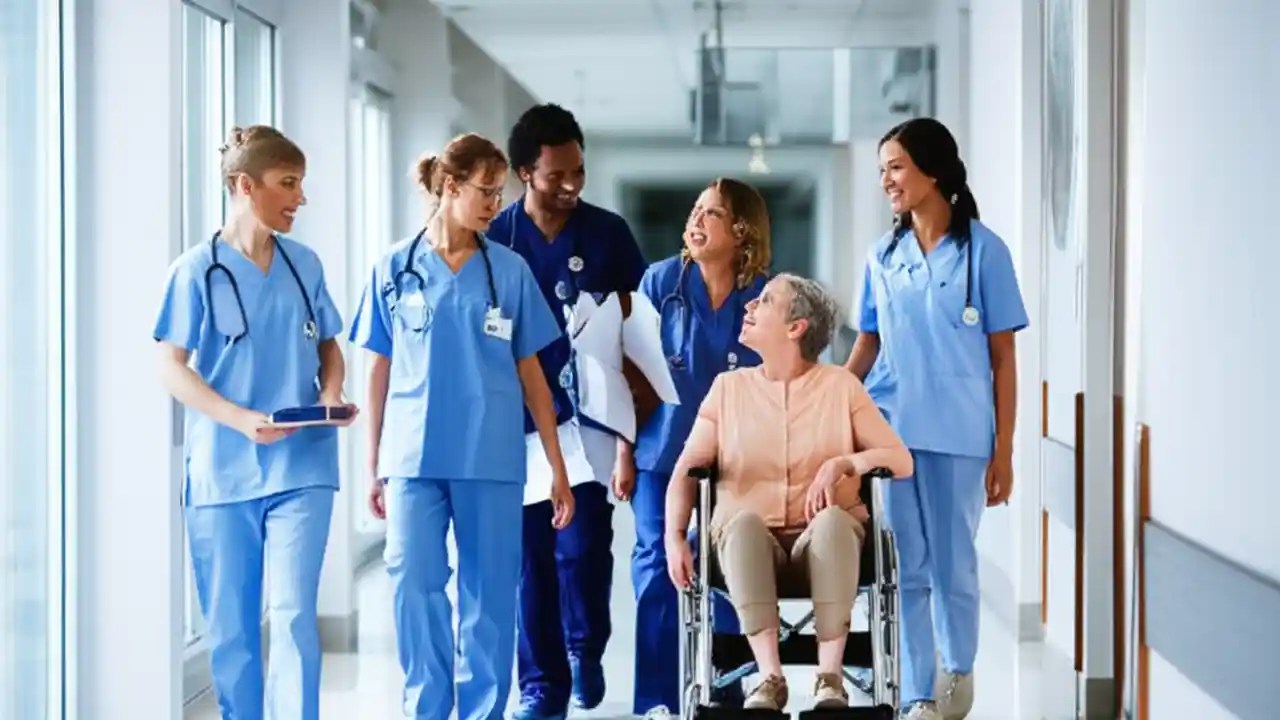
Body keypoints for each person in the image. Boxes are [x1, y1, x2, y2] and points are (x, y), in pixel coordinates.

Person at [350, 133, 575, 720]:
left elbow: (533, 376)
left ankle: (482, 712)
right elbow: (377, 369)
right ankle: (426, 708)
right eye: (486, 192)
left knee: (489, 594)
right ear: (450, 187)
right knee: (412, 580)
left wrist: (556, 467)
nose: (495, 206)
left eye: (500, 194)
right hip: (413, 456)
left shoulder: (508, 270)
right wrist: (372, 464)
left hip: (490, 456)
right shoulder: (394, 268)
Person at [154, 125, 356, 720]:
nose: (300, 197)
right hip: (223, 470)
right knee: (232, 628)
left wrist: (332, 393)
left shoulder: (303, 265)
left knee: (293, 616)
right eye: (288, 183)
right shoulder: (196, 270)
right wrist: (240, 419)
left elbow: (329, 346)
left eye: (301, 183)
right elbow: (170, 367)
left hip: (302, 464)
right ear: (246, 185)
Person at [843, 117, 1028, 720]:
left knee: (954, 564)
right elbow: (868, 342)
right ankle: (917, 693)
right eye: (882, 170)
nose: (886, 181)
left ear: (933, 170)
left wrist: (1004, 450)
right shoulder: (882, 255)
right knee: (906, 568)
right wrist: (833, 399)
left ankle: (957, 673)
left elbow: (1003, 358)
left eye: (895, 167)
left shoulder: (985, 252)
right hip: (894, 433)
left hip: (960, 434)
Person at [664, 273, 914, 713]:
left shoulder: (840, 386)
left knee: (834, 521)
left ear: (796, 327)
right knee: (742, 524)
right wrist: (674, 537)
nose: (749, 306)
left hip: (825, 548)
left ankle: (830, 679)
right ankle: (769, 679)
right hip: (744, 548)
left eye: (764, 301)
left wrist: (845, 463)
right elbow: (687, 470)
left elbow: (900, 460)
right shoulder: (728, 389)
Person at [488, 103, 649, 719]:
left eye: (578, 171)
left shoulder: (607, 234)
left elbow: (637, 336)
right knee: (530, 559)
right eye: (557, 175)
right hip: (518, 425)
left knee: (582, 547)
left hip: (589, 422)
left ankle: (585, 648)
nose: (572, 185)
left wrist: (630, 435)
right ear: (525, 173)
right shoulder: (495, 239)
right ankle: (541, 686)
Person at [625, 178, 772, 718]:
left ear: (742, 230)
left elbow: (784, 380)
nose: (696, 219)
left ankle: (728, 688)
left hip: (737, 460)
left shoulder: (769, 295)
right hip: (661, 454)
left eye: (712, 213)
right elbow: (628, 373)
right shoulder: (660, 282)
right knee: (657, 567)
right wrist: (622, 452)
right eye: (695, 209)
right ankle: (658, 702)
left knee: (730, 568)